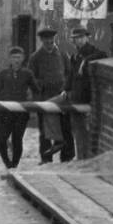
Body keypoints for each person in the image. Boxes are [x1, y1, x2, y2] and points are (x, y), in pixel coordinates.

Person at [62, 26, 106, 161]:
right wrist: (66, 89)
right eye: (76, 39)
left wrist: (86, 61)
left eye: (81, 38)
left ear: (87, 38)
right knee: (78, 130)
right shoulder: (75, 57)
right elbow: (71, 75)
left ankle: (86, 158)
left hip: (88, 99)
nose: (79, 41)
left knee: (87, 131)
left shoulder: (92, 52)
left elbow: (103, 55)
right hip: (76, 97)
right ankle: (81, 157)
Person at [28, 27, 70, 163]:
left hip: (61, 97)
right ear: (42, 41)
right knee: (44, 131)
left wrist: (65, 87)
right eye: (46, 40)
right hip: (44, 98)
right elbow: (31, 78)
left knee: (64, 128)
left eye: (51, 40)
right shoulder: (35, 57)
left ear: (54, 40)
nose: (49, 43)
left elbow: (69, 73)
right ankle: (46, 159)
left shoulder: (62, 55)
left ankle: (66, 158)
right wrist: (42, 84)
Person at [0, 46, 35, 168]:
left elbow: (36, 90)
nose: (16, 60)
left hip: (21, 113)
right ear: (9, 59)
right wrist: (1, 103)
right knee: (0, 139)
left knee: (17, 140)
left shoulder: (27, 74)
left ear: (23, 58)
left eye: (18, 57)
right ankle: (7, 162)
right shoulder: (3, 74)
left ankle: (14, 165)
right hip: (5, 113)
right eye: (13, 57)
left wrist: (31, 102)